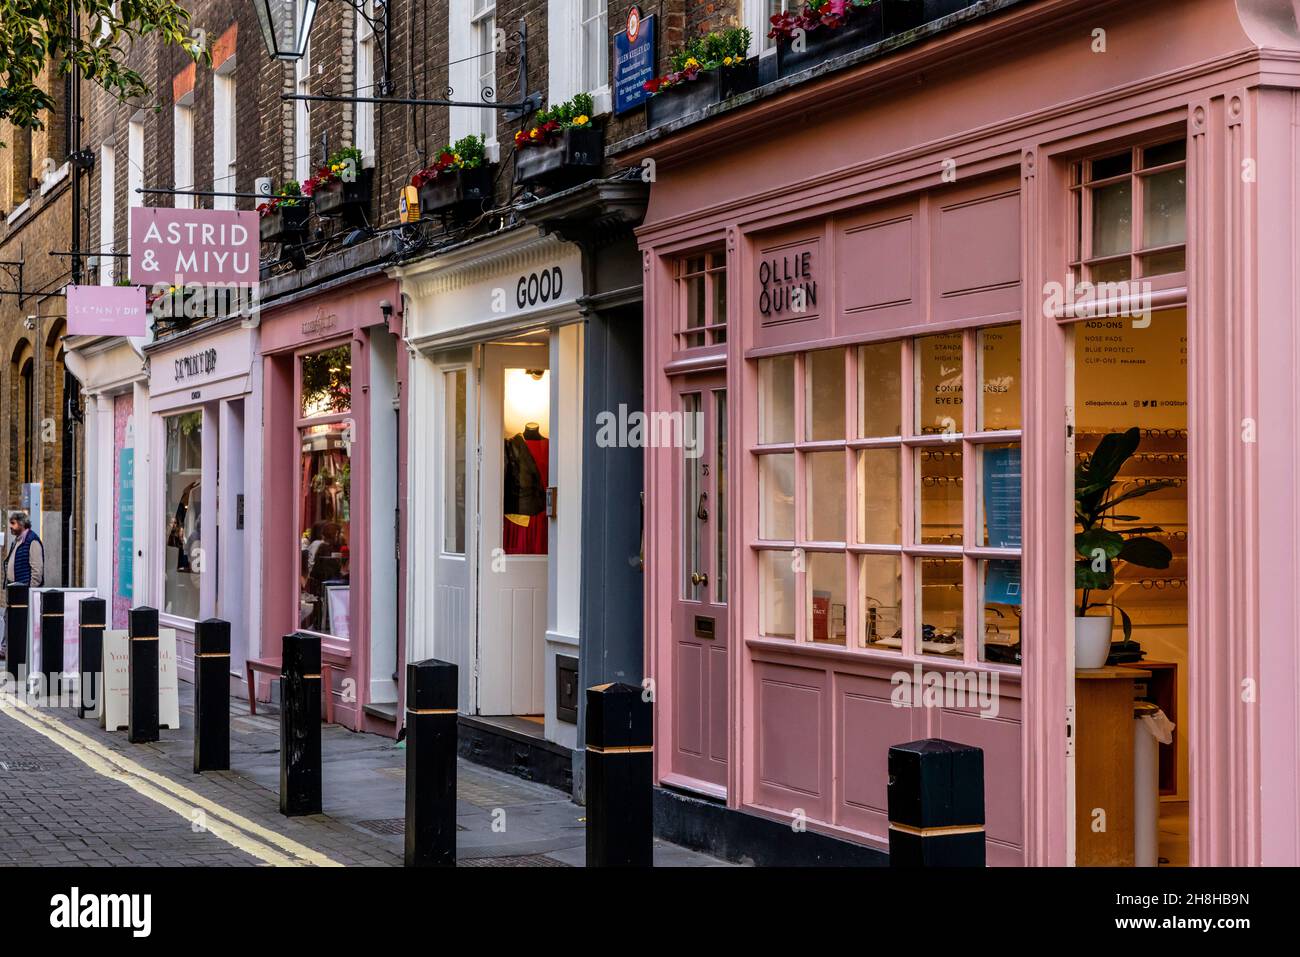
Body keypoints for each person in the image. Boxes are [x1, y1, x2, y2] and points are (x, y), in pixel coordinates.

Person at [2, 512, 43, 661]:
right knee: (8, 619)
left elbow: (37, 571)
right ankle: (6, 649)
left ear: (22, 524)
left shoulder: (32, 541)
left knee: (18, 625)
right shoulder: (17, 541)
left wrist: (29, 591)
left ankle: (11, 652)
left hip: (23, 593)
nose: (11, 527)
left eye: (13, 523)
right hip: (15, 592)